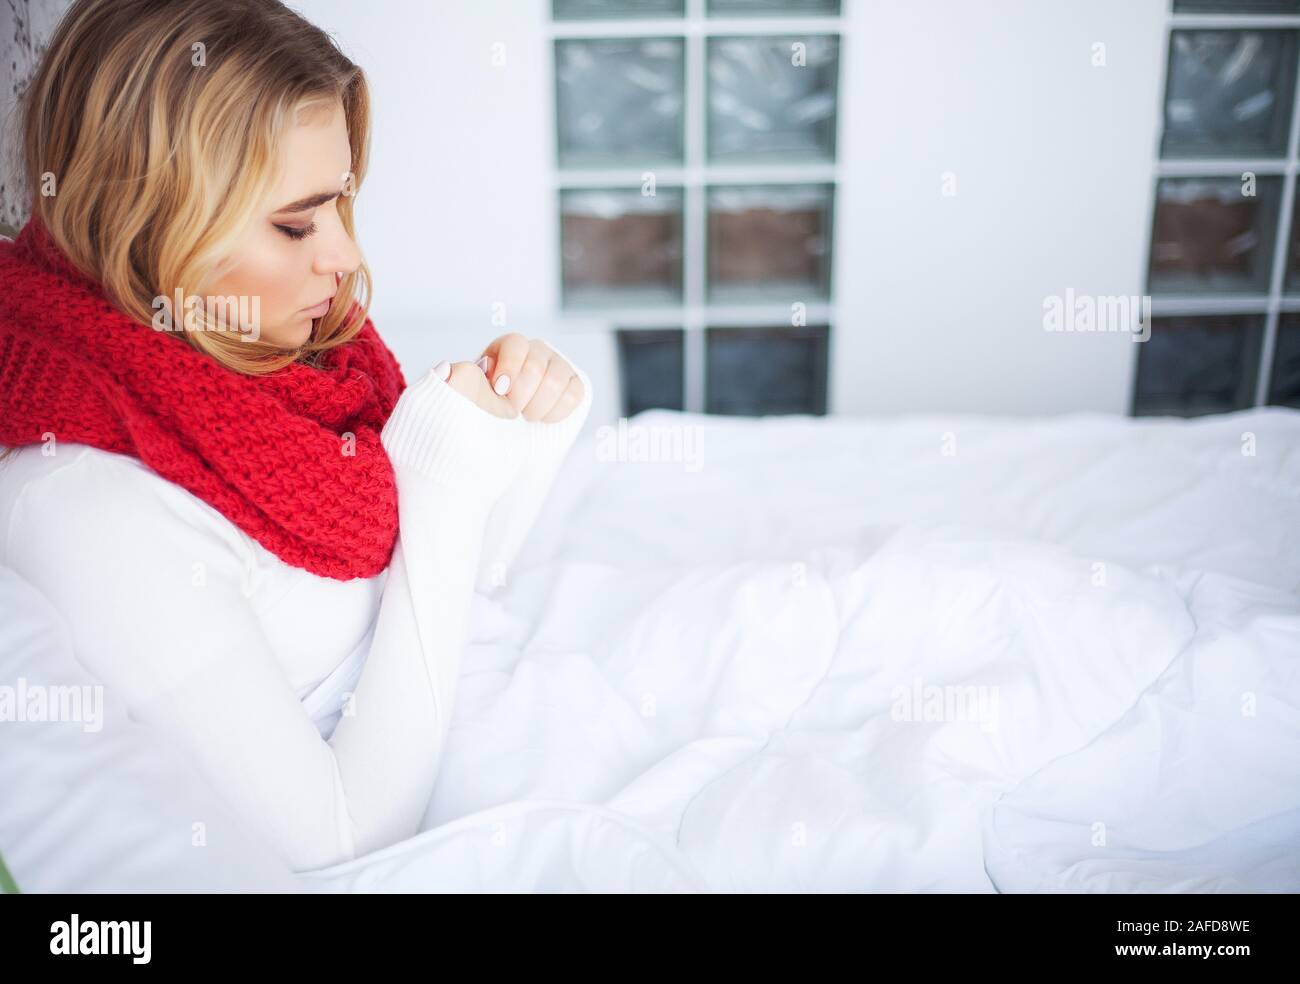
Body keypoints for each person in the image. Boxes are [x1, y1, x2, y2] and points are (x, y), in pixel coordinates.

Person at [0, 0, 591, 872]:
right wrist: (448, 486)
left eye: (341, 206)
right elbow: (336, 842)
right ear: (144, 216)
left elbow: (453, 578)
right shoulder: (87, 506)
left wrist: (520, 432)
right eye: (294, 224)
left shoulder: (263, 362)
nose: (344, 257)